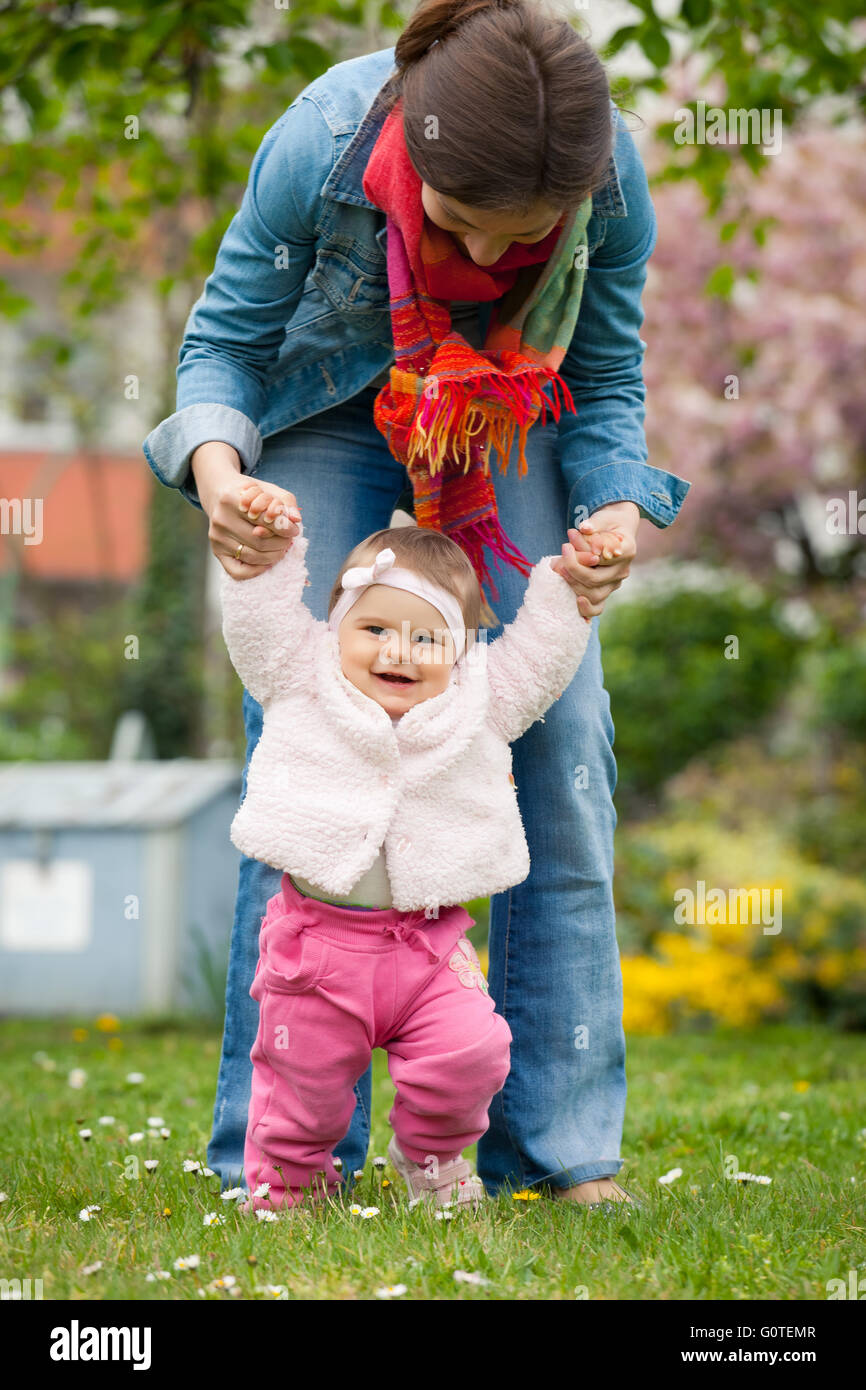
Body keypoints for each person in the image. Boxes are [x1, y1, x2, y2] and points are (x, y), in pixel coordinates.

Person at [141, 0, 691, 1208]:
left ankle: (556, 1152)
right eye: (459, 227)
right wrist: (223, 474)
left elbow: (602, 376)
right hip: (334, 406)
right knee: (310, 745)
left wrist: (609, 515)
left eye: (524, 240)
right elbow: (223, 343)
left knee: (557, 746)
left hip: (504, 409)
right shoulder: (323, 137)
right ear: (418, 158)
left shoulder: (609, 178)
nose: (493, 262)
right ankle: (284, 1156)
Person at [219, 488, 615, 1210]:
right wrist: (268, 564)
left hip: (429, 949)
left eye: (427, 638)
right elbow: (257, 623)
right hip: (314, 952)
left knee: (472, 1052)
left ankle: (430, 1161)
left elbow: (539, 659)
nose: (398, 651)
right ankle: (289, 1189)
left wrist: (568, 594)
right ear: (337, 628)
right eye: (374, 628)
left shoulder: (480, 702)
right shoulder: (299, 675)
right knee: (298, 1087)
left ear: (460, 652)